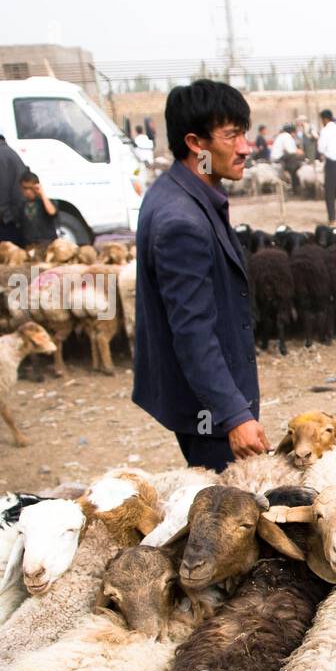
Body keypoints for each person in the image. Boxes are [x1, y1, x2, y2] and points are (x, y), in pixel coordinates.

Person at [132, 79, 265, 473]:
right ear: (196, 143)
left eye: (244, 133)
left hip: (212, 405)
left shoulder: (183, 193)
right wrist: (234, 415)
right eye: (232, 136)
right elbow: (192, 332)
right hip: (209, 415)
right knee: (227, 515)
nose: (246, 147)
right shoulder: (181, 220)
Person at [317, 109, 336, 224]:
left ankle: (332, 218)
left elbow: (320, 148)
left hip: (331, 162)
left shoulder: (325, 131)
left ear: (324, 119)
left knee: (330, 191)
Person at [18, 170, 58, 247]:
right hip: (29, 244)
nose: (28, 191)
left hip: (47, 243)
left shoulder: (46, 202)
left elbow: (52, 212)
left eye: (30, 188)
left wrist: (42, 194)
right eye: (25, 188)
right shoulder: (21, 205)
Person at [271, 122, 302, 191]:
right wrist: (302, 152)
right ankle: (295, 186)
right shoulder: (287, 136)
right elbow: (291, 151)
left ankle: (295, 185)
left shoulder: (282, 135)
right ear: (292, 132)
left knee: (294, 160)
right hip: (278, 159)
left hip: (278, 157)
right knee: (295, 164)